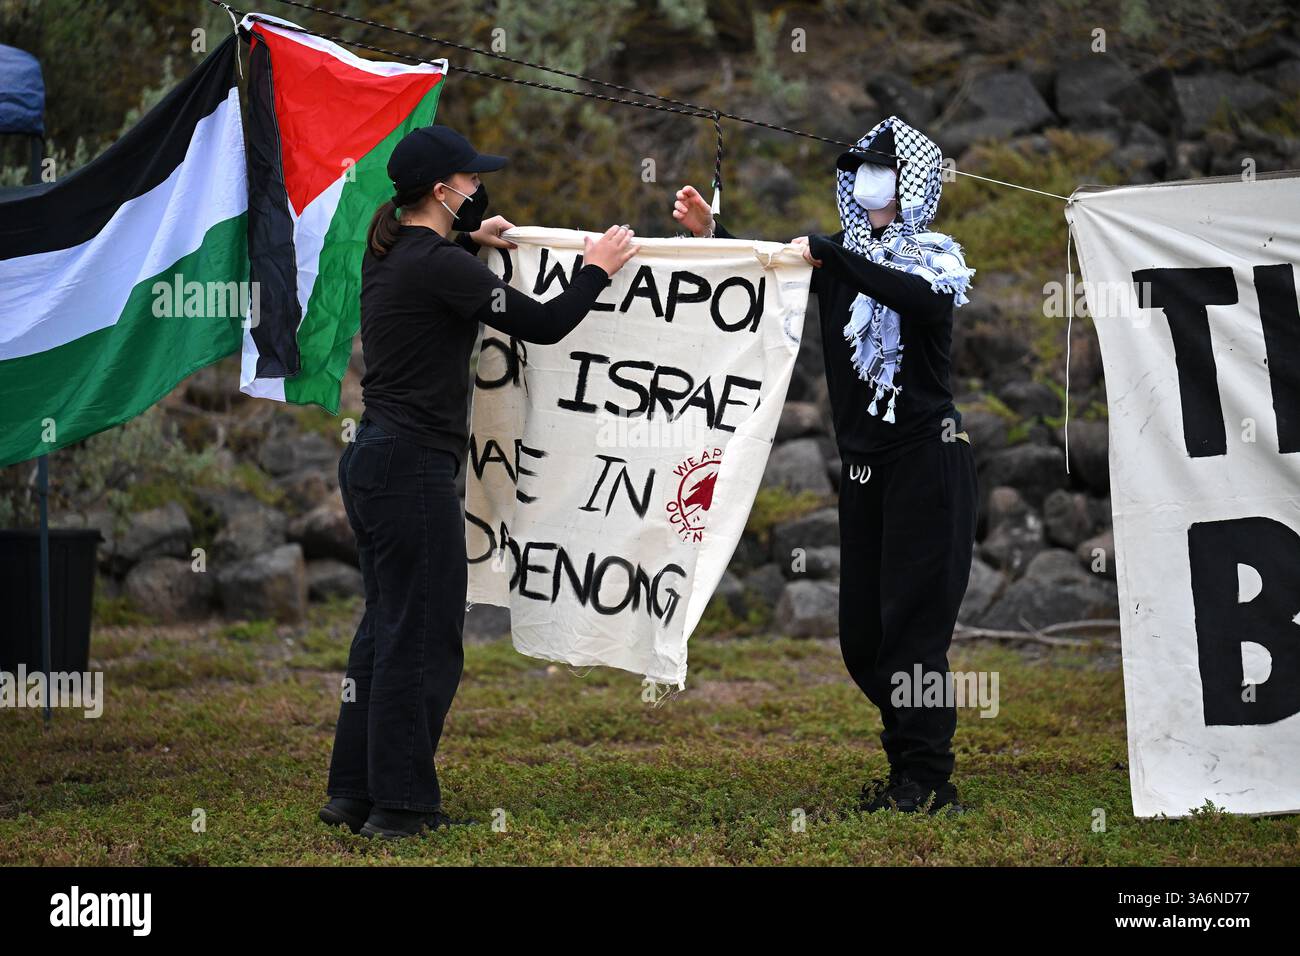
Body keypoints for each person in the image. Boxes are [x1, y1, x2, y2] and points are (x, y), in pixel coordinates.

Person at [320, 125, 639, 839]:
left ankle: (352, 793)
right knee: (426, 636)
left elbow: (440, 276)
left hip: (374, 461)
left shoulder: (395, 251)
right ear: (443, 191)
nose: (477, 189)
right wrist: (598, 266)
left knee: (385, 628)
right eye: (469, 182)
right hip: (411, 468)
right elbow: (547, 323)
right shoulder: (439, 263)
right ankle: (400, 808)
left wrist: (470, 243)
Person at [673, 116, 978, 814]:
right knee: (864, 638)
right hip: (866, 469)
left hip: (928, 463)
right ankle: (909, 764)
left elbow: (923, 303)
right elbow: (774, 279)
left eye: (882, 168)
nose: (866, 179)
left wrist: (836, 259)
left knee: (913, 632)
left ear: (916, 183)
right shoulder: (841, 258)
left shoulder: (935, 257)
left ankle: (929, 781)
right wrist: (710, 238)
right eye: (857, 168)